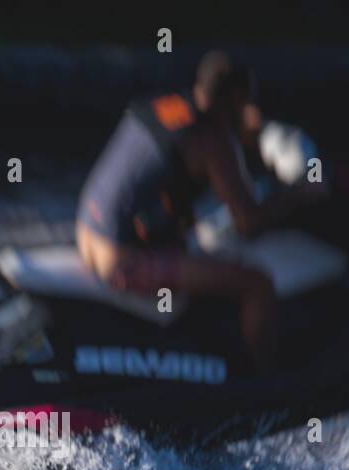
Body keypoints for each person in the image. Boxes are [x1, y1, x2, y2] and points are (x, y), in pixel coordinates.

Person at [76, 52, 316, 372]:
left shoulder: (165, 105)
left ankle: (203, 349)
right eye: (248, 103)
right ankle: (263, 384)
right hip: (122, 262)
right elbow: (249, 222)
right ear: (236, 99)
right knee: (256, 285)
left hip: (86, 233)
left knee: (198, 245)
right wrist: (300, 193)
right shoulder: (212, 139)